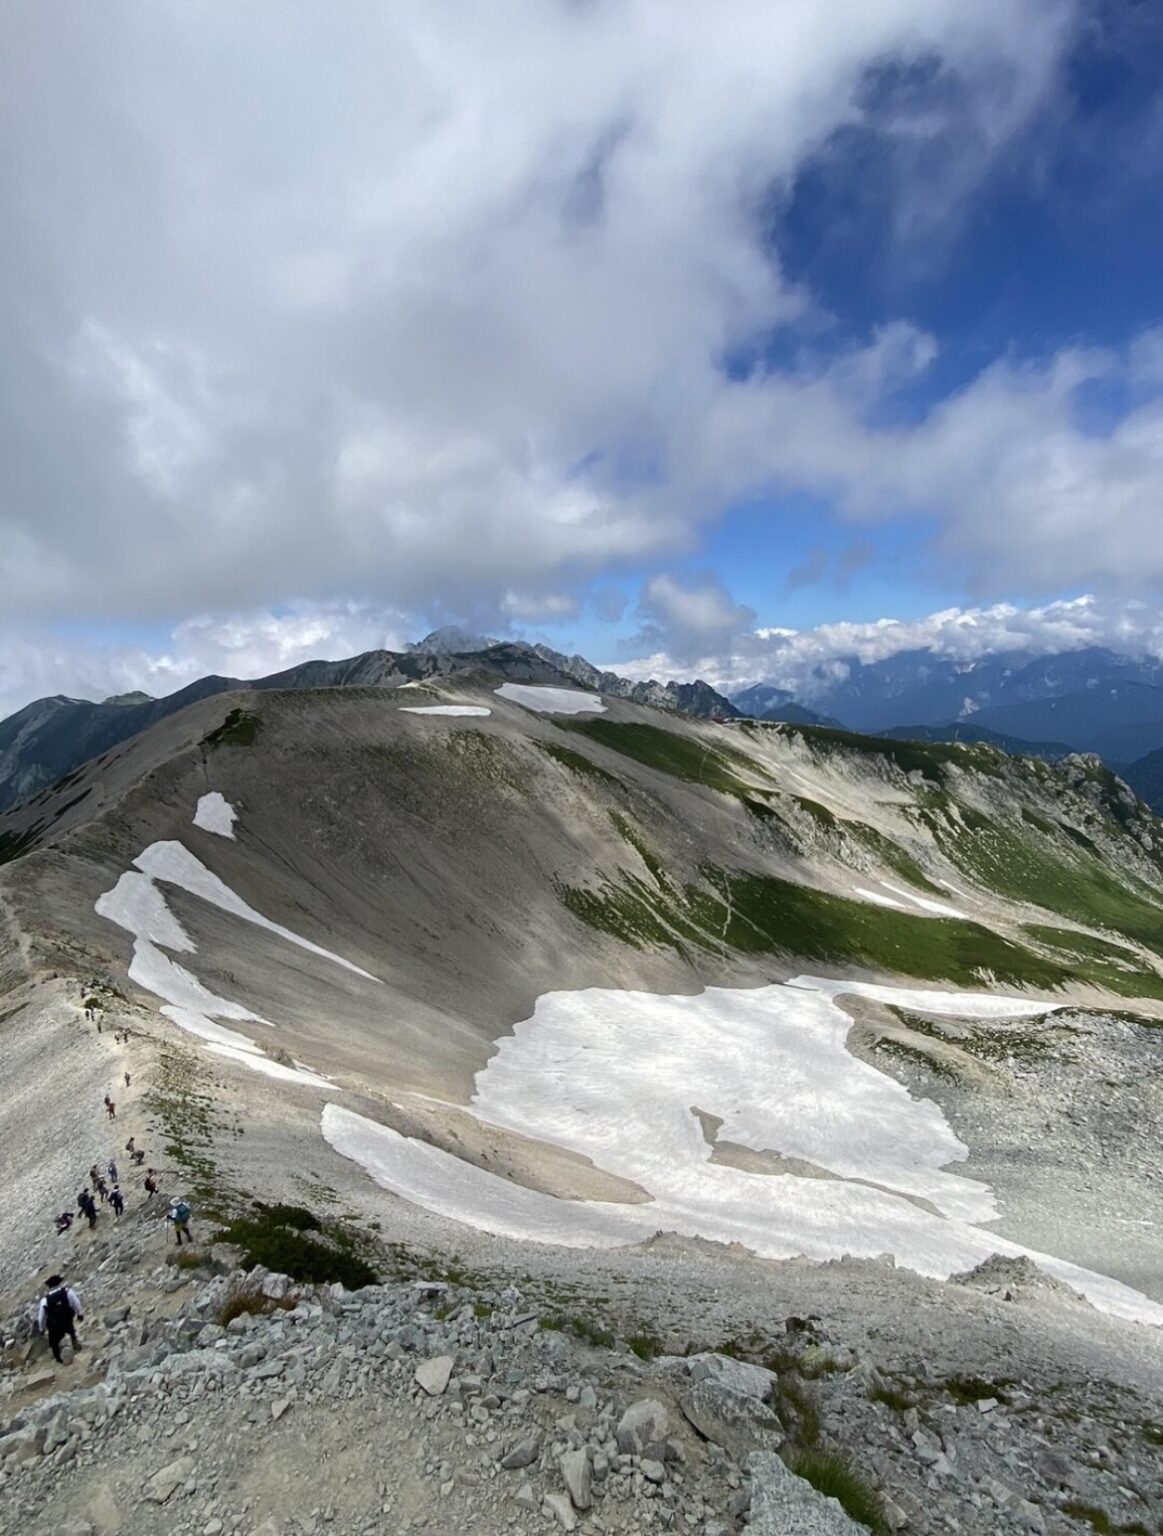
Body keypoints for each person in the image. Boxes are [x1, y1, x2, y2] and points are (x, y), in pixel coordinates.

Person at [37, 1276, 84, 1362]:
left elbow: (41, 1317)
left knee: (54, 1341)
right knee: (70, 1329)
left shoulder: (45, 1300)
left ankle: (58, 1358)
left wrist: (41, 1329)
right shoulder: (67, 1291)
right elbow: (76, 1302)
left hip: (54, 1324)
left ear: (49, 1286)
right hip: (67, 1319)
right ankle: (75, 1343)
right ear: (59, 1283)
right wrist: (79, 1314)